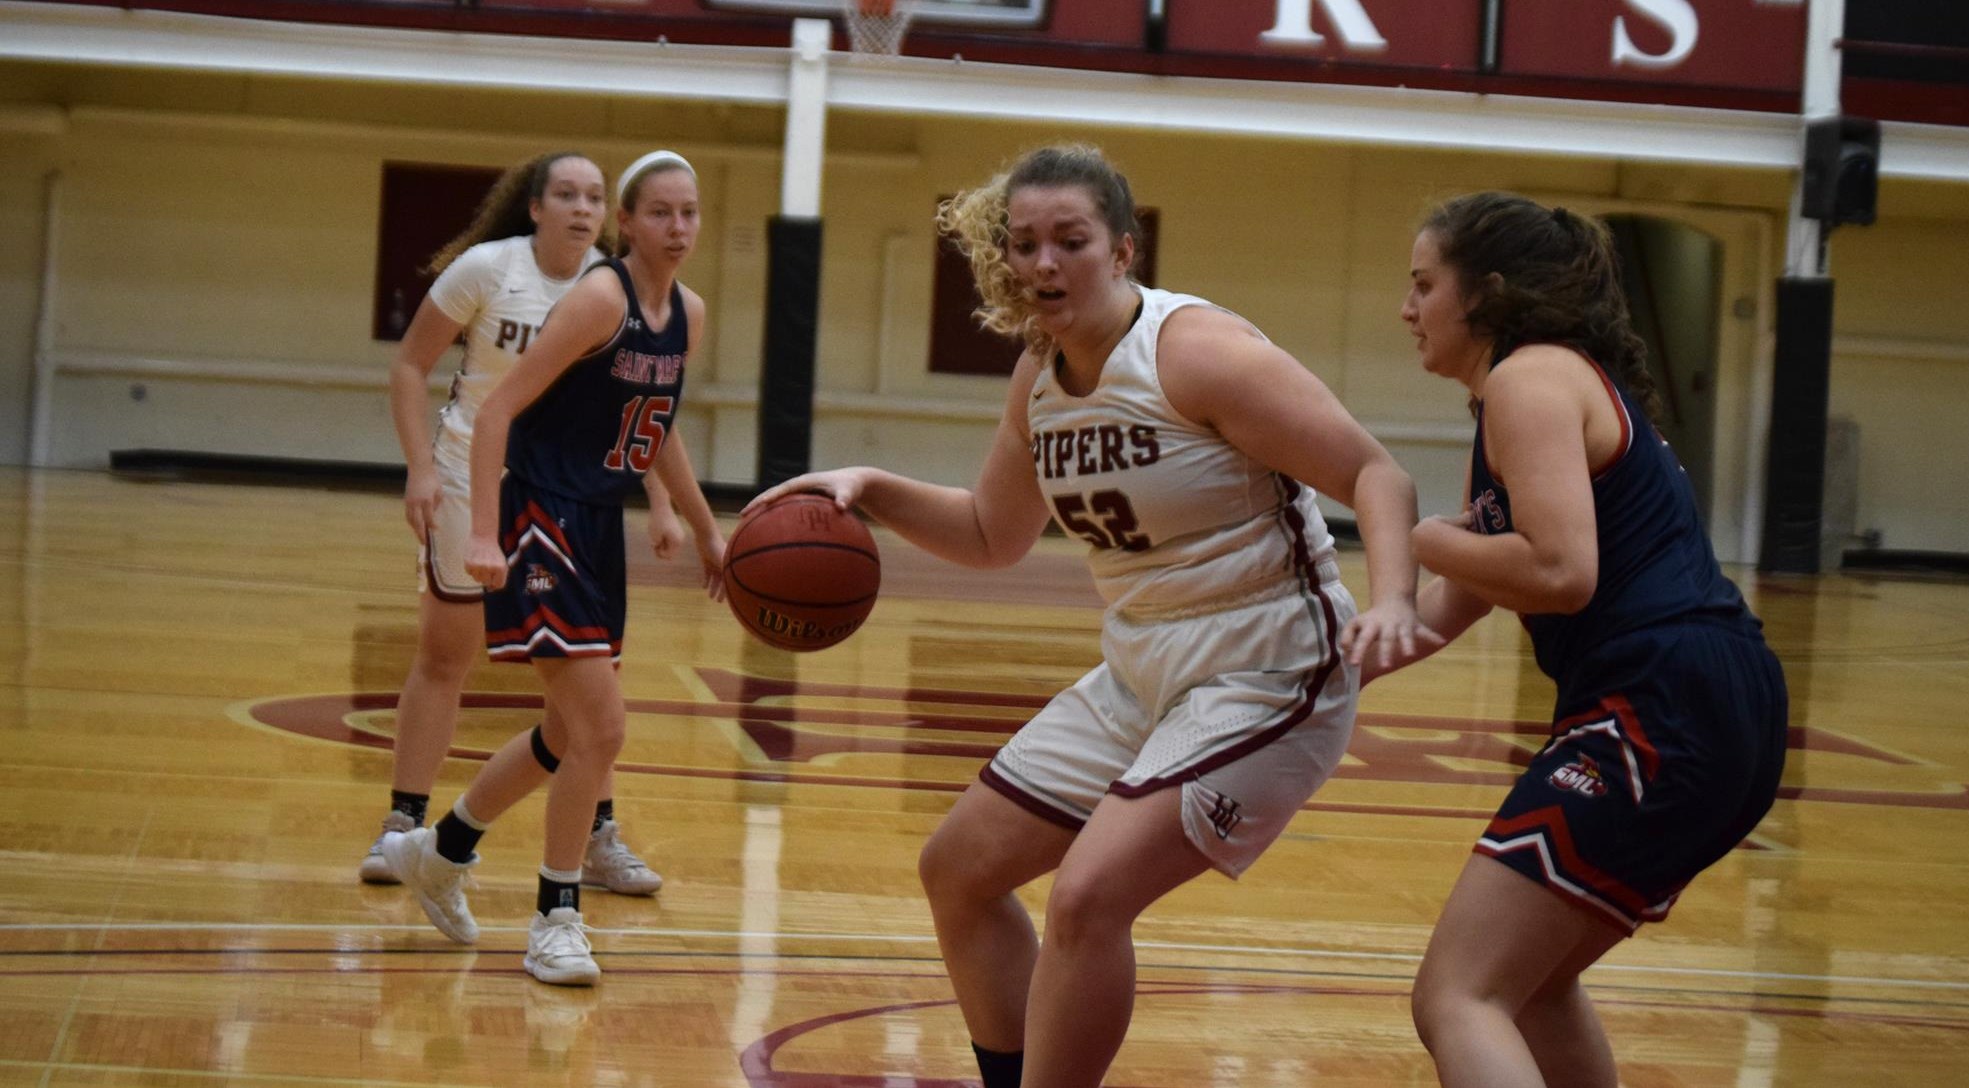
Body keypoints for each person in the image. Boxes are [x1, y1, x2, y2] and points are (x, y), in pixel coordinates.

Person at [743, 144, 1435, 1087]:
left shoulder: (1196, 353)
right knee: (959, 871)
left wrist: (1393, 596)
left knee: (1088, 898)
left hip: (1268, 665)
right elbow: (992, 534)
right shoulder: (1038, 378)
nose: (1042, 264)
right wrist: (868, 485)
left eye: (1069, 240)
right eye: (1024, 244)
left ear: (1121, 250)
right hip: (1141, 669)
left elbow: (1375, 474)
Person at [1373, 192, 1788, 1087]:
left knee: (1457, 995)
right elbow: (1446, 610)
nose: (1407, 310)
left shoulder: (1529, 379)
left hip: (1662, 696)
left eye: (1422, 285)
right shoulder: (1535, 391)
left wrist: (1423, 534)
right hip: (1711, 703)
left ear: (1484, 292)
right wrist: (1293, 675)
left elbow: (1561, 573)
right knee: (1528, 989)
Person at [381, 150, 726, 986]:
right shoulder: (600, 297)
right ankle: (555, 917)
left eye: (690, 213)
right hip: (543, 515)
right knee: (603, 730)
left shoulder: (688, 312)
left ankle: (443, 849)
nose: (677, 228)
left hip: (599, 522)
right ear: (630, 225)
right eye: (660, 213)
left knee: (570, 732)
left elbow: (658, 424)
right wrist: (487, 534)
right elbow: (498, 408)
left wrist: (706, 528)